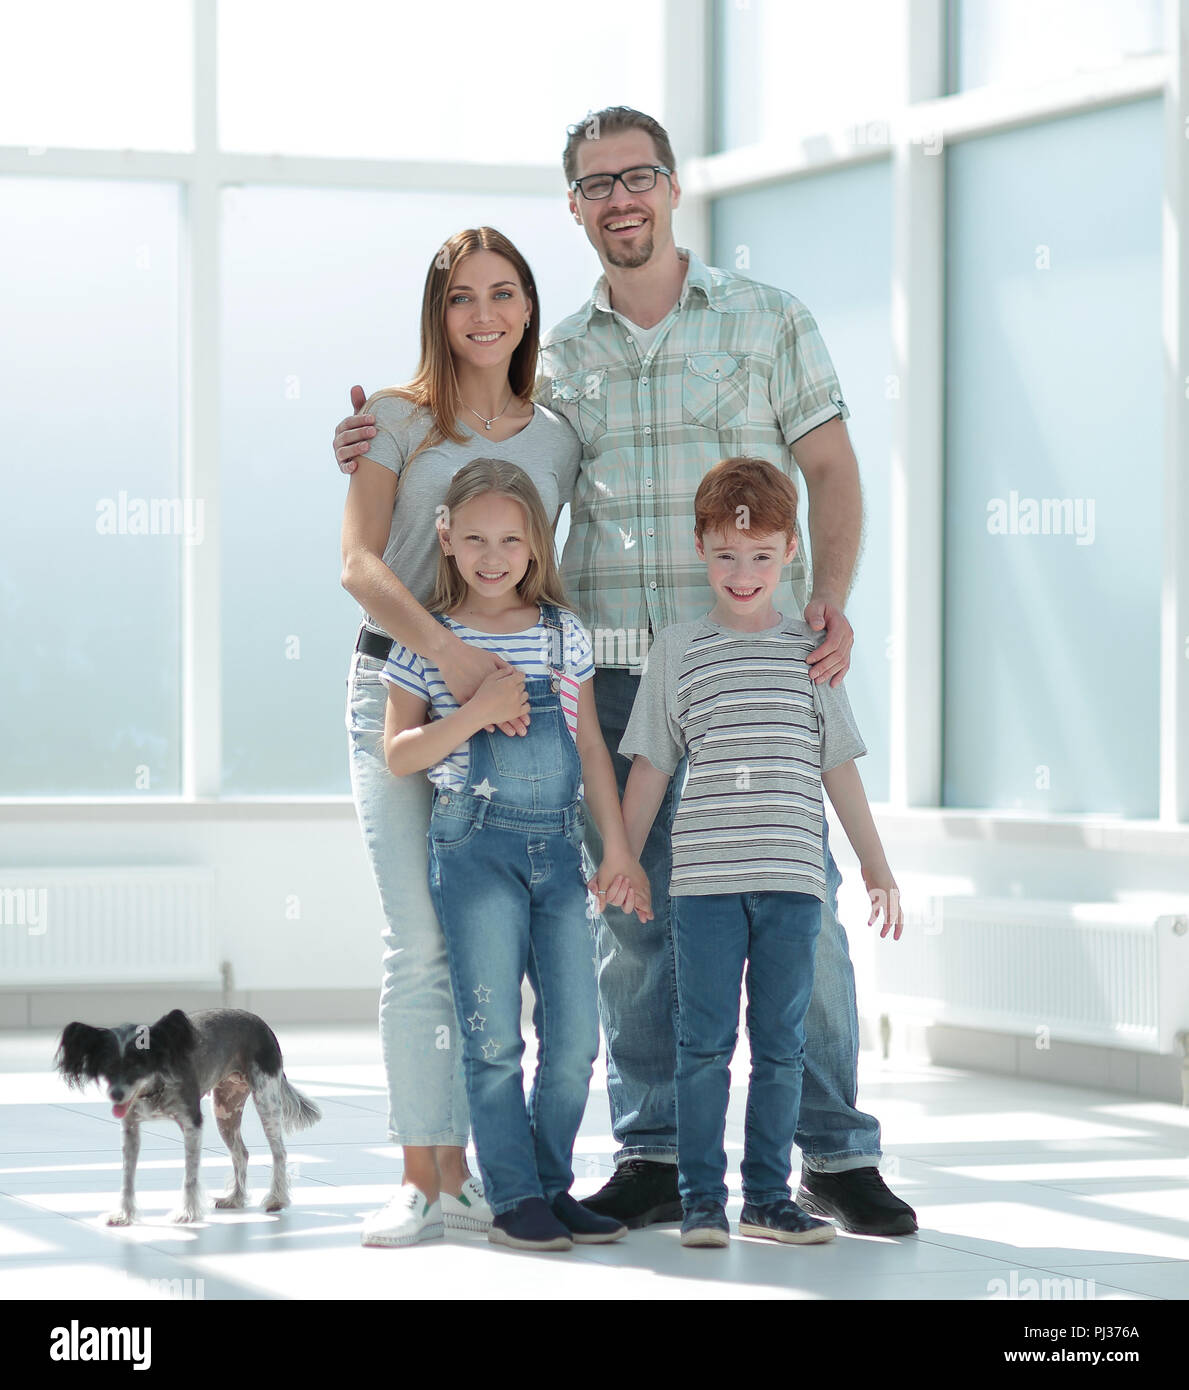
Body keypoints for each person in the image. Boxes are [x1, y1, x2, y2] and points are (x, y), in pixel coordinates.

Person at [334, 106, 917, 1237]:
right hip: (603, 672)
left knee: (805, 908)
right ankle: (650, 1149)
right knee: (631, 915)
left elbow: (834, 472)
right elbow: (463, 454)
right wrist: (368, 441)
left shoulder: (766, 318)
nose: (619, 198)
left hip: (753, 663)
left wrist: (831, 601)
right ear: (574, 206)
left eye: (636, 176)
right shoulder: (556, 363)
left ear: (671, 186)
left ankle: (835, 1150)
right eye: (595, 184)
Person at [341, 227, 585, 1247]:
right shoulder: (393, 419)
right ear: (436, 314)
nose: (483, 314)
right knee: (420, 942)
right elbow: (360, 563)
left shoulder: (561, 436)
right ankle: (422, 1174)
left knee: (507, 952)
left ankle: (491, 1173)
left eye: (504, 293)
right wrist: (447, 658)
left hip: (518, 702)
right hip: (399, 687)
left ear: (529, 307)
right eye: (461, 297)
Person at [617, 456, 903, 1248]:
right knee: (702, 1046)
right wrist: (624, 860)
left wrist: (875, 864)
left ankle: (769, 1200)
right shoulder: (678, 649)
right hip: (703, 890)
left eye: (762, 556)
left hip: (792, 888)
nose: (743, 573)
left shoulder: (813, 653)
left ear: (789, 554)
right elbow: (648, 764)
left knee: (781, 1047)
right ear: (700, 549)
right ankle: (701, 1201)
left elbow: (836, 765)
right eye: (725, 555)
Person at [381, 457, 652, 1251]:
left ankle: (543, 1184)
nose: (492, 556)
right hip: (473, 848)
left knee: (573, 1038)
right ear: (446, 538)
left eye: (509, 538)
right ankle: (512, 1199)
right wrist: (474, 712)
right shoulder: (430, 638)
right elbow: (398, 753)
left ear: (536, 543)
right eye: (474, 539)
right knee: (493, 1037)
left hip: (558, 850)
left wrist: (618, 853)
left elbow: (592, 751)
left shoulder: (562, 632)